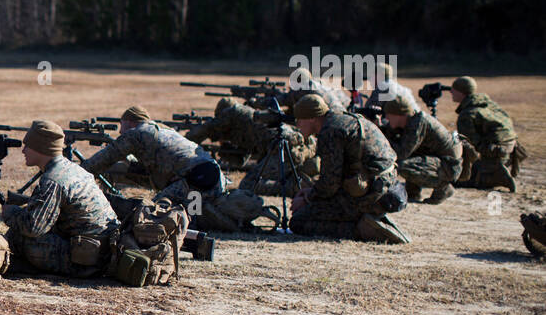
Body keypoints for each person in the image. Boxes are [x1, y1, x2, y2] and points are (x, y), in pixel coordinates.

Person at [0, 121, 118, 276]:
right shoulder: (73, 169)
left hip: (86, 261)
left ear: (40, 149)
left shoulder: (53, 180)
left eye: (28, 146)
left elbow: (33, 228)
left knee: (19, 236)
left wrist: (9, 212)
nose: (23, 151)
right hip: (102, 251)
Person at [288, 94, 409, 243]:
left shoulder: (330, 131)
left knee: (299, 221)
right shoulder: (343, 119)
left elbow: (329, 185)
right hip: (385, 186)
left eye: (300, 120)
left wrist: (307, 198)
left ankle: (361, 229)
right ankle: (367, 219)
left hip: (371, 192)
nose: (298, 125)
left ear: (312, 118)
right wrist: (311, 191)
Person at [81, 106, 226, 205]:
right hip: (214, 180)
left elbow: (101, 161)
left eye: (121, 125)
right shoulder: (161, 130)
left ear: (130, 122)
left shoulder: (136, 133)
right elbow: (149, 168)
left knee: (153, 217)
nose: (120, 132)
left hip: (196, 181)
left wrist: (74, 173)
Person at [187, 96, 316, 194]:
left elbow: (204, 130)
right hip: (295, 144)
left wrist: (182, 142)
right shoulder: (246, 121)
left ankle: (292, 187)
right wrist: (226, 150)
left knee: (248, 185)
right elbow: (241, 161)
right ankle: (302, 179)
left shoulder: (233, 112)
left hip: (281, 147)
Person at [384, 98, 462, 204]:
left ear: (399, 115)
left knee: (401, 165)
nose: (387, 118)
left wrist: (383, 137)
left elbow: (401, 153)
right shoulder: (410, 121)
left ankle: (443, 188)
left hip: (449, 166)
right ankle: (413, 193)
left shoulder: (418, 123)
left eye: (388, 115)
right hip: (439, 162)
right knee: (412, 159)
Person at [450, 76, 520, 192]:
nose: (451, 92)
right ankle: (495, 169)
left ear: (460, 92)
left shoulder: (467, 114)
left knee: (463, 181)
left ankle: (498, 175)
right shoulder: (487, 104)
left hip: (495, 151)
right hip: (511, 148)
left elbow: (469, 144)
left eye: (453, 89)